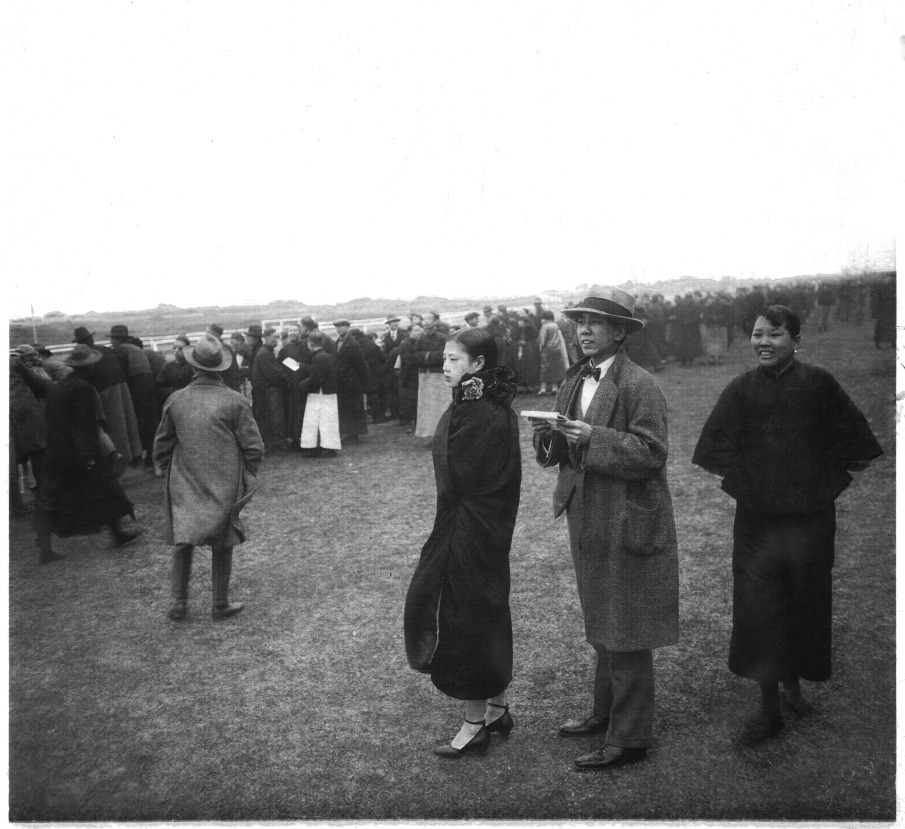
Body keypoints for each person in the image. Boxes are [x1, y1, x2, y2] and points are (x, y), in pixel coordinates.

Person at [692, 304, 883, 744]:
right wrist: (752, 480)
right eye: (758, 334)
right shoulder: (740, 389)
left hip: (810, 522)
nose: (763, 342)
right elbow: (713, 449)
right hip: (757, 523)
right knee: (760, 608)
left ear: (797, 340)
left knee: (804, 600)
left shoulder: (819, 384)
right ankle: (768, 707)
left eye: (774, 335)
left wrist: (819, 481)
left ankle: (795, 686)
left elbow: (856, 445)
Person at [529, 287, 679, 772]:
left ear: (620, 332)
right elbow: (558, 450)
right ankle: (606, 713)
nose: (585, 330)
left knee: (627, 625)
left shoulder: (639, 385)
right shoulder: (575, 378)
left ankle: (630, 737)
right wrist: (548, 436)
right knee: (600, 618)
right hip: (584, 511)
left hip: (626, 516)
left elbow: (653, 453)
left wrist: (595, 437)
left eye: (596, 323)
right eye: (580, 322)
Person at [404, 327, 521, 759]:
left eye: (454, 359)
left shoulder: (481, 411)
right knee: (488, 612)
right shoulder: (486, 403)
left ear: (478, 364)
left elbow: (460, 479)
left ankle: (475, 724)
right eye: (445, 358)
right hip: (483, 529)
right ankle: (496, 709)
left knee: (467, 618)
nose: (445, 366)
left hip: (470, 531)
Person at [154, 334, 264, 621]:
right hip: (224, 482)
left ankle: (179, 602)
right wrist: (247, 474)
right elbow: (254, 447)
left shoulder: (176, 399)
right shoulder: (235, 401)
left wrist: (170, 472)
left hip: (183, 481)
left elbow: (162, 445)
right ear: (220, 368)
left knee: (183, 540)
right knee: (223, 540)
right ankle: (219, 604)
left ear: (194, 367)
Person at [35, 345, 143, 562]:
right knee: (105, 488)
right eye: (92, 365)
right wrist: (89, 456)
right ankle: (118, 534)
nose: (95, 368)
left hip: (55, 451)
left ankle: (45, 548)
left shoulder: (56, 388)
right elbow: (84, 425)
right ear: (86, 367)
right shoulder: (83, 388)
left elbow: (52, 421)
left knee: (50, 497)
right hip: (78, 451)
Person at [72, 326, 142, 465]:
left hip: (106, 388)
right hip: (122, 384)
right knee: (129, 419)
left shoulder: (88, 354)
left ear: (80, 342)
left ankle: (123, 458)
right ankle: (136, 453)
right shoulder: (104, 349)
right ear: (91, 338)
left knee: (116, 424)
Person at [109, 325, 158, 469]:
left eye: (112, 338)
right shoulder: (136, 349)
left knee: (136, 420)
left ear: (116, 339)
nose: (111, 341)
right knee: (149, 420)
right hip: (149, 382)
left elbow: (122, 373)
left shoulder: (120, 350)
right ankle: (151, 456)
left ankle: (138, 456)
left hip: (136, 384)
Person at [297, 330, 341, 458]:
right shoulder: (325, 356)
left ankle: (317, 448)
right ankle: (328, 447)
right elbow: (317, 371)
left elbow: (316, 378)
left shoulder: (318, 357)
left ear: (310, 344)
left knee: (314, 420)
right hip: (328, 392)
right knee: (328, 420)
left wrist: (302, 385)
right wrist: (301, 366)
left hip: (320, 393)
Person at [251, 327, 287, 453]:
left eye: (277, 337)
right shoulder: (266, 353)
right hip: (269, 392)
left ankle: (274, 443)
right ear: (265, 338)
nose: (276, 340)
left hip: (266, 391)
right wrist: (286, 378)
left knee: (271, 418)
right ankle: (275, 444)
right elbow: (274, 375)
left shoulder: (267, 351)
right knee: (274, 418)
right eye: (273, 337)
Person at [333, 319, 370, 442]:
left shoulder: (353, 344)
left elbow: (361, 364)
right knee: (345, 409)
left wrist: (363, 383)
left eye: (341, 327)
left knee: (354, 408)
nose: (339, 330)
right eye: (337, 327)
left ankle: (354, 434)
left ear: (347, 327)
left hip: (352, 382)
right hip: (342, 382)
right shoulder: (338, 342)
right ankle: (349, 432)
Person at [155, 335, 194, 409]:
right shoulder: (167, 366)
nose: (176, 350)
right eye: (174, 347)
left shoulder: (192, 367)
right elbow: (159, 389)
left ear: (187, 350)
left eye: (180, 348)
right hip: (171, 404)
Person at [537, 309, 569, 395]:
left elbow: (542, 340)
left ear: (545, 318)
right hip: (557, 349)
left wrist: (540, 349)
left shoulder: (545, 326)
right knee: (555, 368)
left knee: (545, 368)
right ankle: (555, 388)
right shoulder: (556, 325)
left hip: (547, 350)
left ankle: (543, 389)